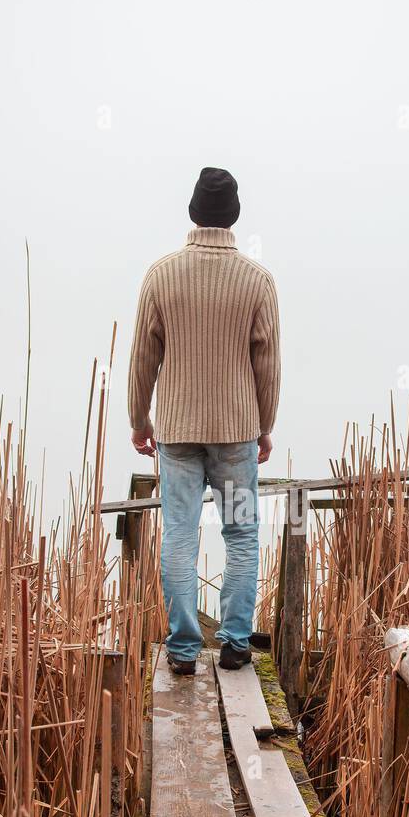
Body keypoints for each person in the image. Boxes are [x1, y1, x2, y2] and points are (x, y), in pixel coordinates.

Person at [127, 167, 280, 674]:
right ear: (233, 217)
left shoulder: (161, 275)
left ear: (193, 212)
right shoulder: (258, 282)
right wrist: (265, 426)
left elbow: (142, 358)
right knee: (239, 533)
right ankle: (236, 644)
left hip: (177, 435)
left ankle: (185, 649)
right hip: (236, 436)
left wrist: (139, 419)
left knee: (179, 533)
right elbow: (268, 363)